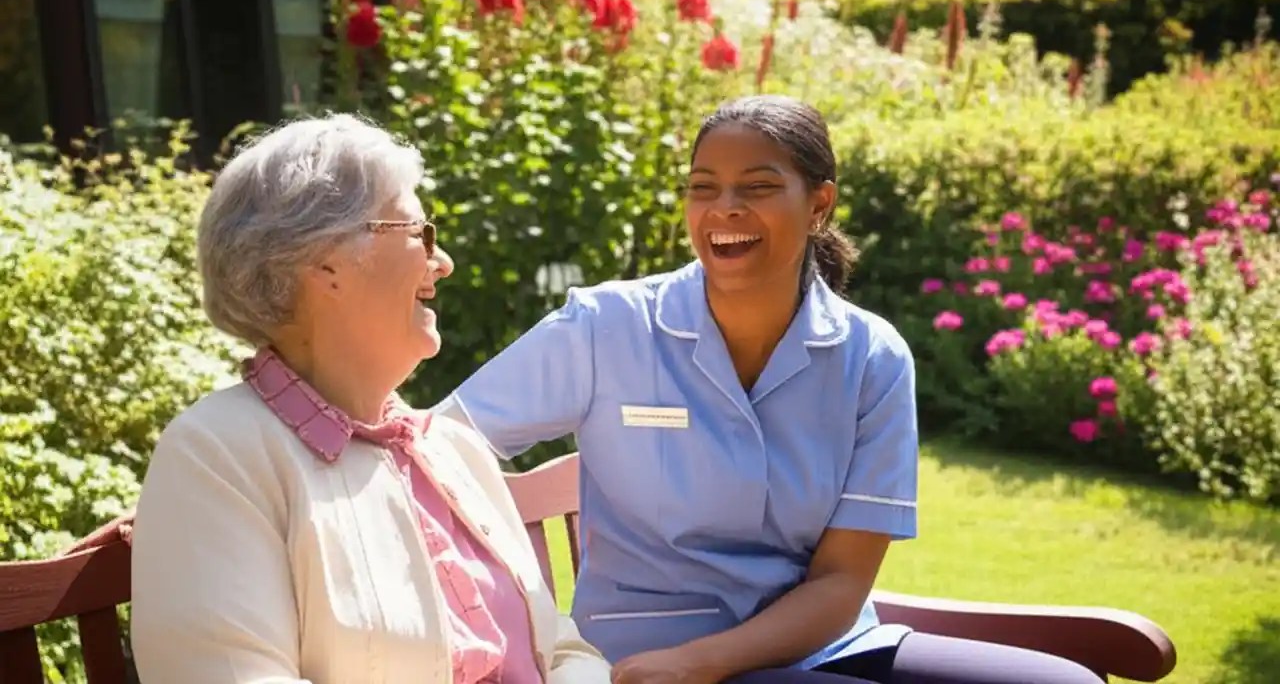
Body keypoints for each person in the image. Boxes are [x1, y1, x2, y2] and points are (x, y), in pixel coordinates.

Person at [433, 95, 1102, 684]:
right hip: (647, 662)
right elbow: (438, 448)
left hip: (820, 646)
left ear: (819, 204)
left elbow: (843, 579)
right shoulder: (606, 328)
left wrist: (711, 660)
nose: (724, 209)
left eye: (756, 186)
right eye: (704, 187)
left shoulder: (871, 358)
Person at [129, 113, 612, 684]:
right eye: (418, 233)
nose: (442, 262)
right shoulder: (216, 455)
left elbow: (560, 650)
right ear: (326, 262)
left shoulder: (449, 447)